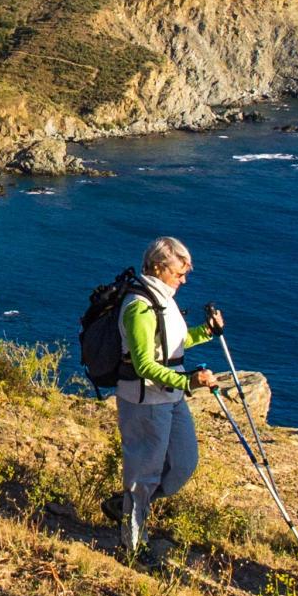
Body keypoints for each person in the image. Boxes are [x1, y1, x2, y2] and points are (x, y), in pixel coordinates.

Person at [111, 237, 221, 565]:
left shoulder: (163, 298)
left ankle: (127, 506)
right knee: (143, 474)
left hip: (170, 397)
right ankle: (133, 545)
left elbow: (174, 341)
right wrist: (188, 382)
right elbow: (144, 364)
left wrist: (207, 332)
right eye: (179, 272)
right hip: (144, 401)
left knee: (182, 465)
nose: (184, 279)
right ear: (159, 267)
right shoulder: (139, 306)